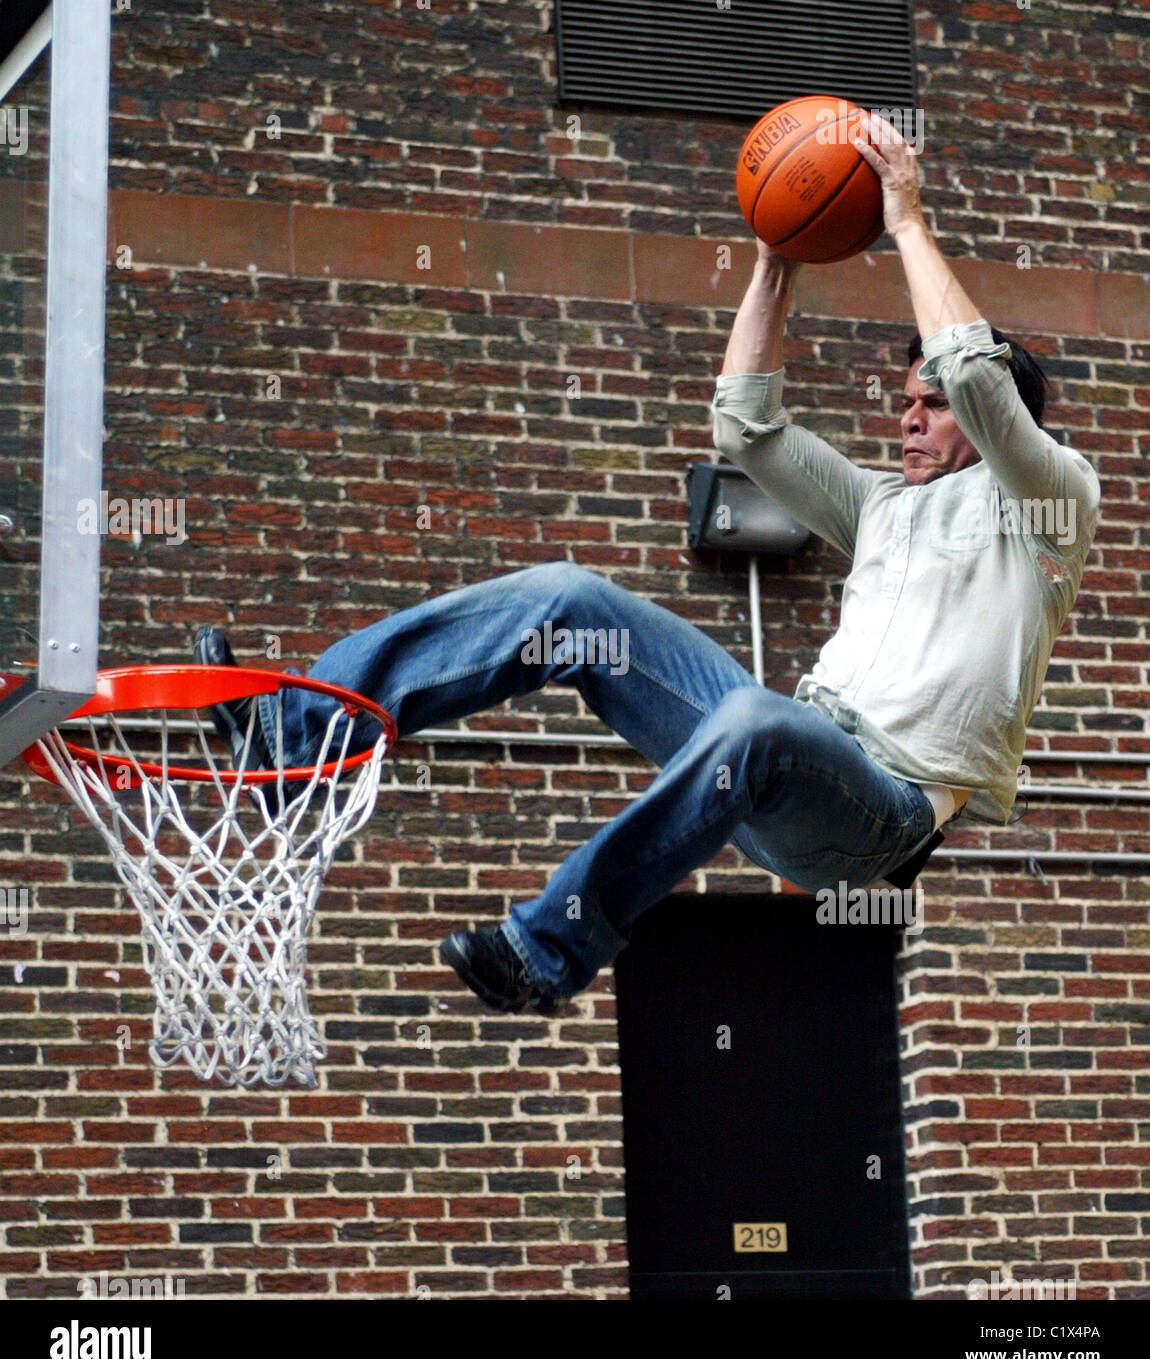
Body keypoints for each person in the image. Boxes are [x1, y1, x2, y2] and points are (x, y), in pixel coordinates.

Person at [194, 117, 1099, 1015]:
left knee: (755, 719)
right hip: (782, 760)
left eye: (932, 405)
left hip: (873, 816)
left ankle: (548, 949)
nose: (909, 417)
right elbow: (746, 428)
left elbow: (975, 376)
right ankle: (295, 735)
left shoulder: (1050, 502)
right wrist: (775, 262)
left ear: (998, 425)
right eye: (906, 401)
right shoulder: (880, 504)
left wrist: (903, 216)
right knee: (568, 599)